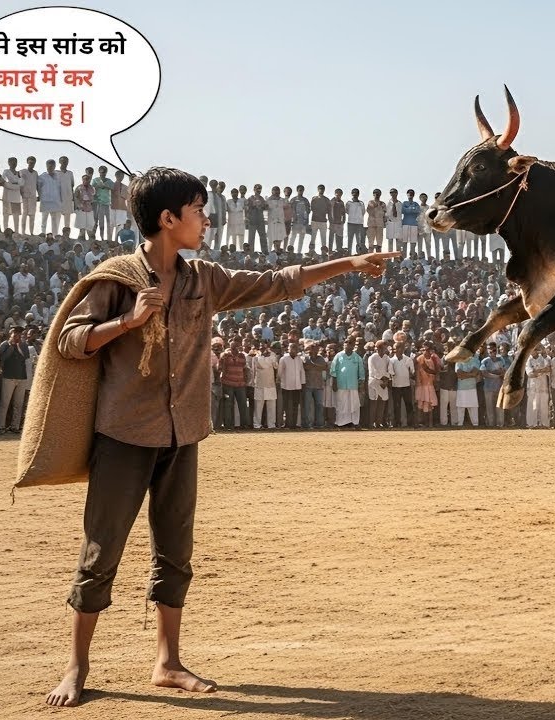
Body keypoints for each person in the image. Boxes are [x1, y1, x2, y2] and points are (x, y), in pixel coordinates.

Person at [41, 167, 398, 707]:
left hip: (183, 435)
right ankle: (76, 668)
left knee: (175, 552)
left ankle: (167, 662)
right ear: (168, 219)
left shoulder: (202, 278)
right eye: (199, 210)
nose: (207, 220)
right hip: (123, 437)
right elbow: (69, 340)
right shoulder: (117, 280)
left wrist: (347, 263)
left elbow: (278, 282)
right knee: (100, 552)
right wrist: (127, 323)